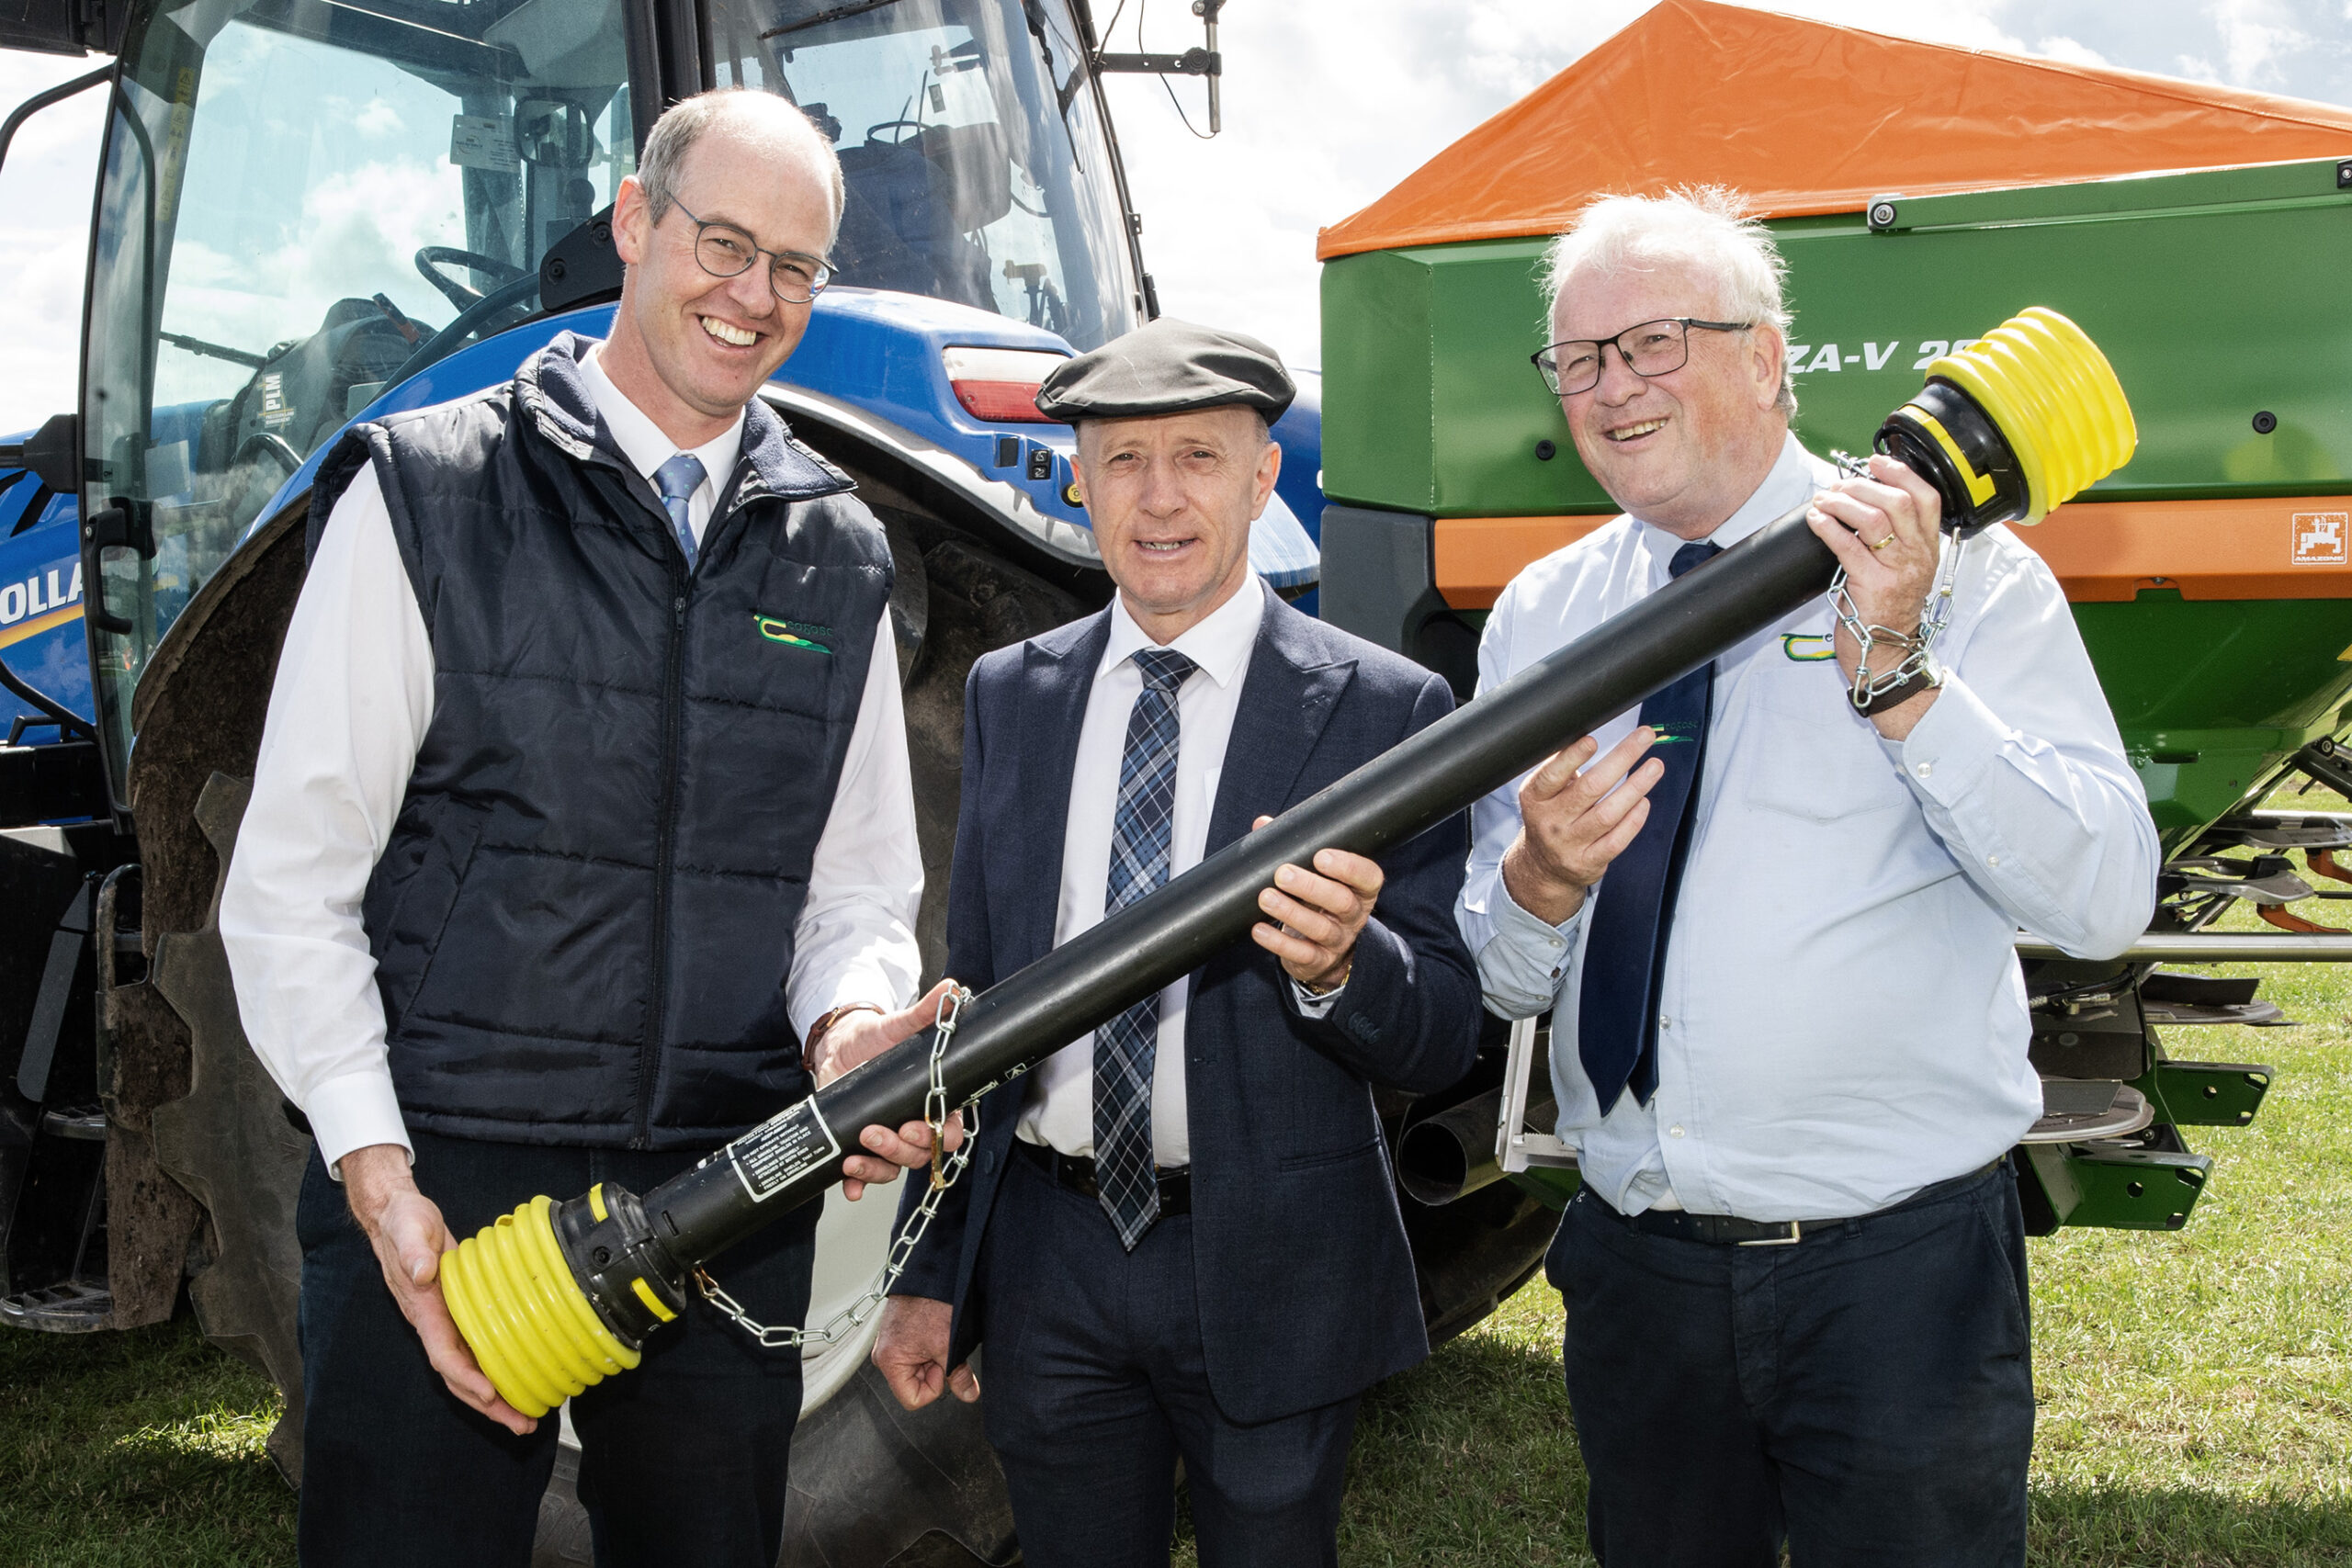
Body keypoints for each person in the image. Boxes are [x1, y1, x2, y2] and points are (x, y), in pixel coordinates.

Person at [220, 89, 956, 1568]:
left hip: (722, 1185)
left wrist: (849, 1025)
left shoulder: (841, 553)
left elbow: (855, 881)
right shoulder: (426, 495)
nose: (753, 298)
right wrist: (378, 1175)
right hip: (452, 1176)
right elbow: (292, 887)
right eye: (724, 244)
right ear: (634, 222)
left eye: (796, 268)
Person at [1460, 188, 2159, 1566]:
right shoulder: (1546, 616)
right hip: (1638, 1268)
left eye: (1652, 343)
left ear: (1770, 359)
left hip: (1896, 1278)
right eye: (1581, 358)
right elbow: (1503, 972)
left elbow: (2104, 895)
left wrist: (1902, 678)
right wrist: (1539, 883)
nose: (1611, 387)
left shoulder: (1963, 578)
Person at [868, 319, 1480, 1568]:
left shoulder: (1386, 711)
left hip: (1270, 1256)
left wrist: (1343, 967)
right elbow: (975, 1018)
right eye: (1122, 460)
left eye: (1198, 457)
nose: (1158, 500)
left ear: (1262, 479)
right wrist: (935, 1271)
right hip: (1051, 1259)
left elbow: (1446, 1027)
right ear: (1077, 481)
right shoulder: (1011, 695)